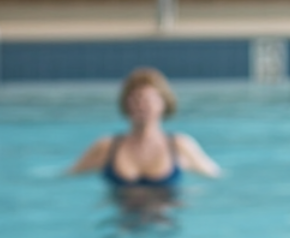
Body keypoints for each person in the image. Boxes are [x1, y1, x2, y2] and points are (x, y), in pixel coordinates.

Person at [69, 67, 221, 205]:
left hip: (163, 222)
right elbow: (68, 178)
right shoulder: (106, 147)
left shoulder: (180, 145)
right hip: (120, 223)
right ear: (126, 104)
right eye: (135, 100)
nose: (141, 106)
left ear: (164, 103)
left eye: (148, 100)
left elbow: (216, 179)